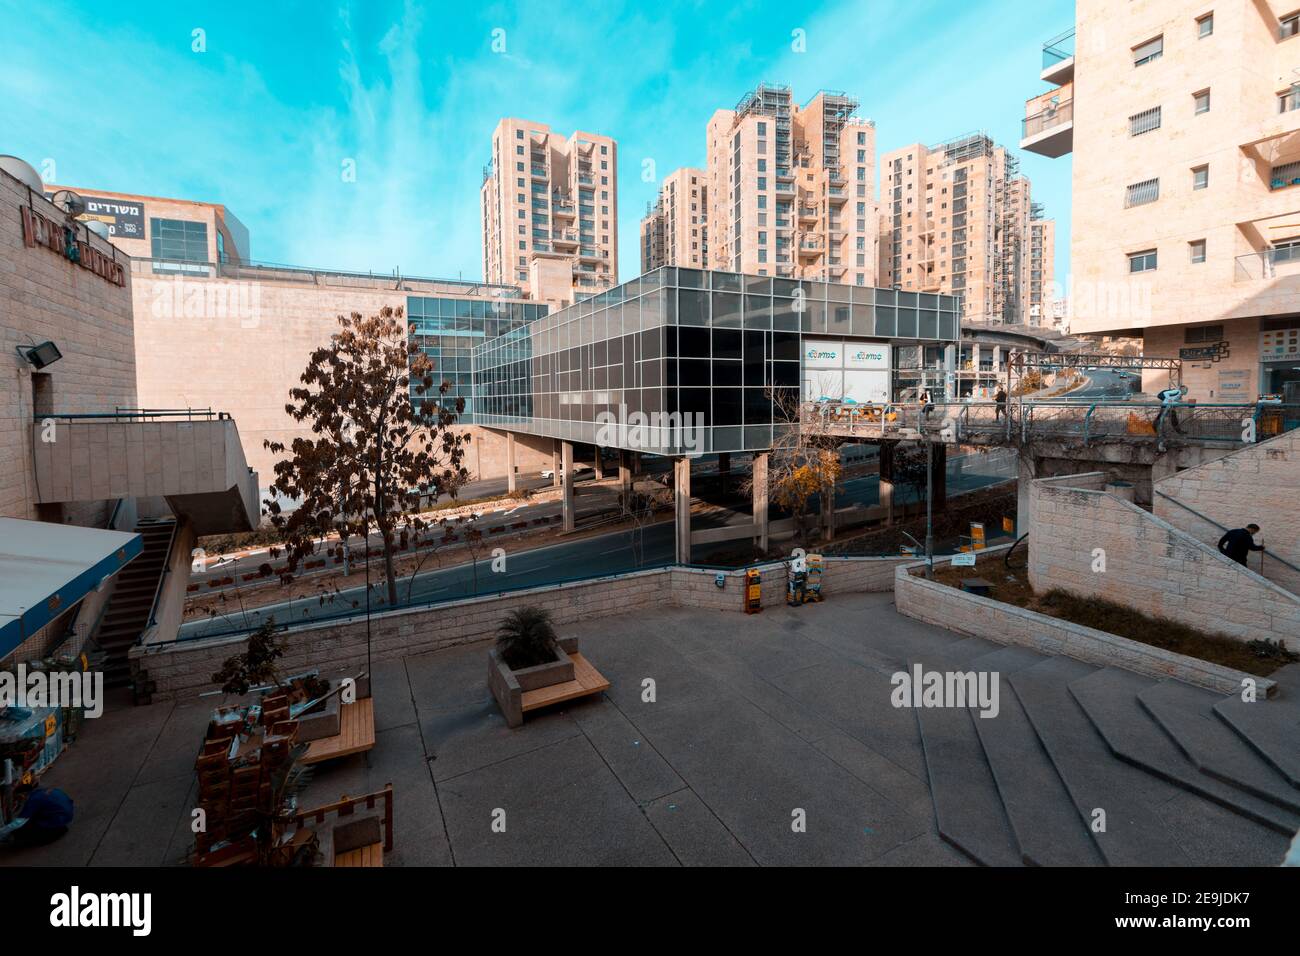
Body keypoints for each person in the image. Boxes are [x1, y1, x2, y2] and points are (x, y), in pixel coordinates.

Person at [0, 787, 74, 848]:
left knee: (23, 837)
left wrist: (2, 832)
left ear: (23, 795)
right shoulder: (41, 791)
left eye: (18, 798)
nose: (19, 801)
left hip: (60, 818)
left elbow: (18, 823)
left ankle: (58, 831)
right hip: (67, 811)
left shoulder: (33, 800)